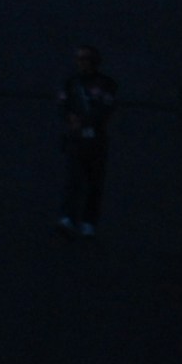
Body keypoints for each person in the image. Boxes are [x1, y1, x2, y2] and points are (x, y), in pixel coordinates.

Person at [58, 46, 119, 236]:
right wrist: (69, 118)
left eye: (85, 59)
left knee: (94, 180)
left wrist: (83, 121)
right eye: (78, 59)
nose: (81, 62)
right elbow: (62, 104)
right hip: (76, 138)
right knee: (73, 178)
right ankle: (68, 217)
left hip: (96, 138)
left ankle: (88, 221)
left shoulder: (106, 83)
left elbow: (105, 109)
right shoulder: (71, 82)